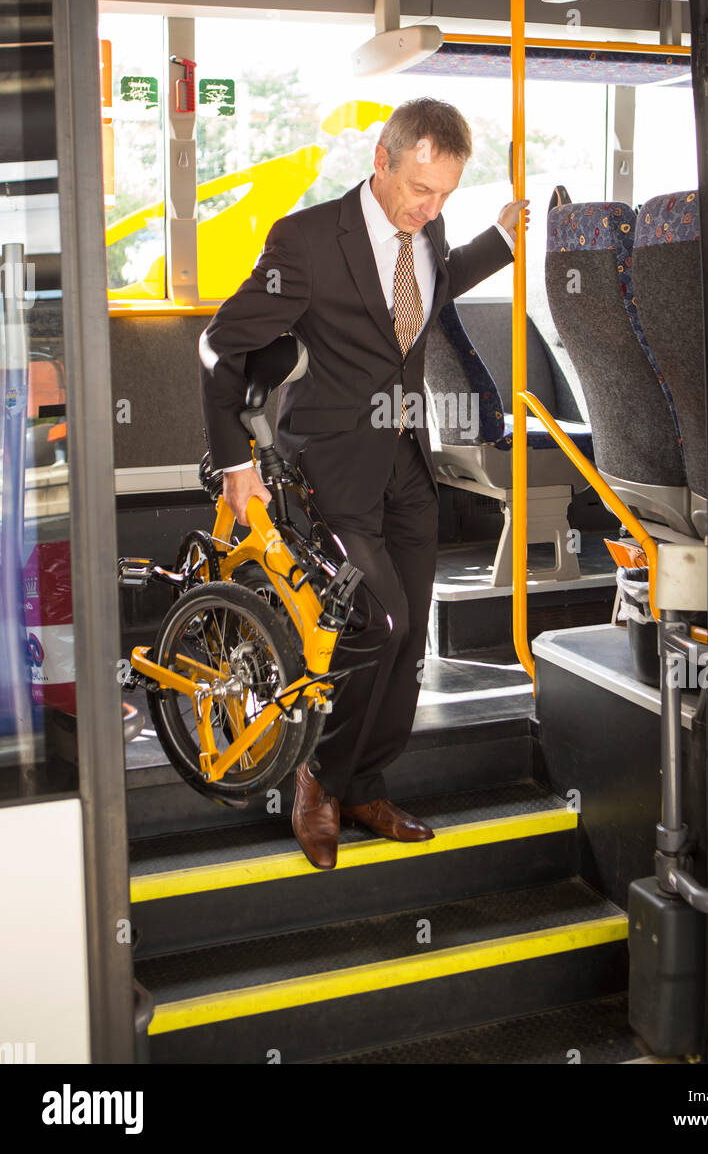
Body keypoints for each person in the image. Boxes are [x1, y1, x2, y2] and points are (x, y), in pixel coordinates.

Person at [199, 97, 527, 869]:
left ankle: (365, 782)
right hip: (333, 465)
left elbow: (430, 286)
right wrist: (236, 461)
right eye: (420, 188)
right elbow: (221, 346)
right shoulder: (309, 241)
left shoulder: (431, 226)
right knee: (375, 625)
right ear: (382, 161)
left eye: (445, 193)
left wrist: (501, 242)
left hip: (409, 458)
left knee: (412, 630)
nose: (430, 206)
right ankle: (317, 782)